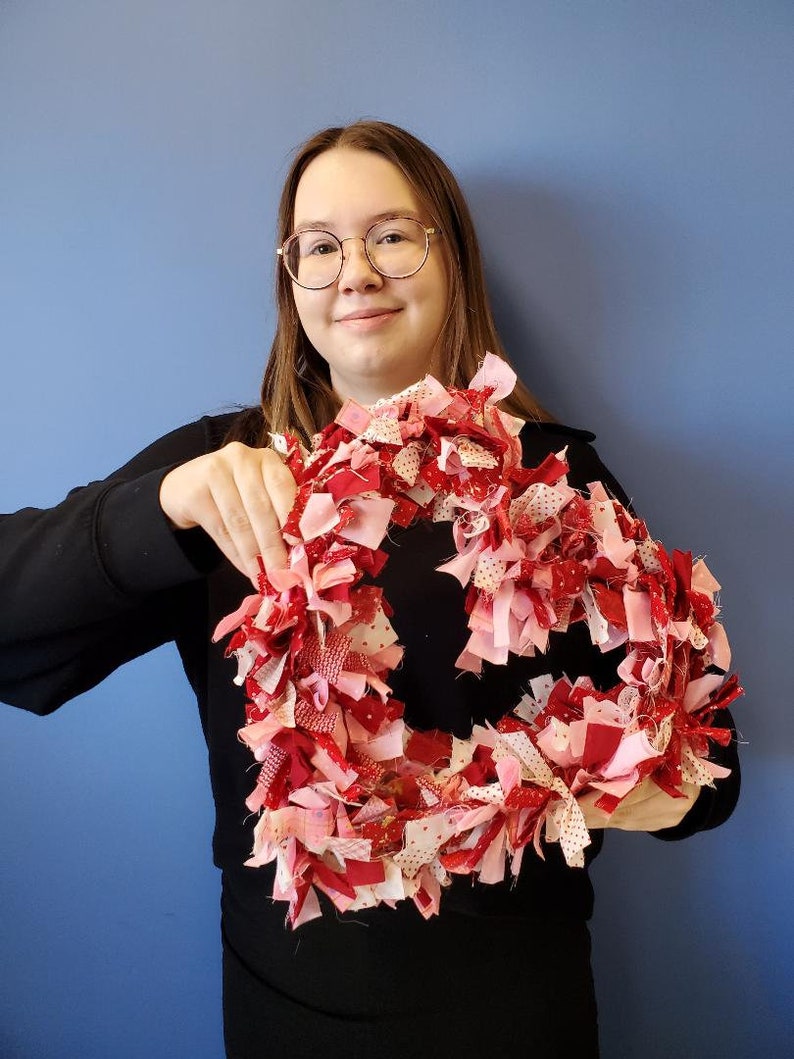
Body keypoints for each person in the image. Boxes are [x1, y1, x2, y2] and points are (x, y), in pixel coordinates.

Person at [0, 120, 739, 1058]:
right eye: (320, 246)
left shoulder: (557, 476)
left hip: (524, 1017)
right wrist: (162, 507)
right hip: (294, 1021)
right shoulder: (222, 474)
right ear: (292, 279)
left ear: (449, 257)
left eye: (391, 233)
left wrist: (672, 789)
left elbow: (708, 765)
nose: (354, 271)